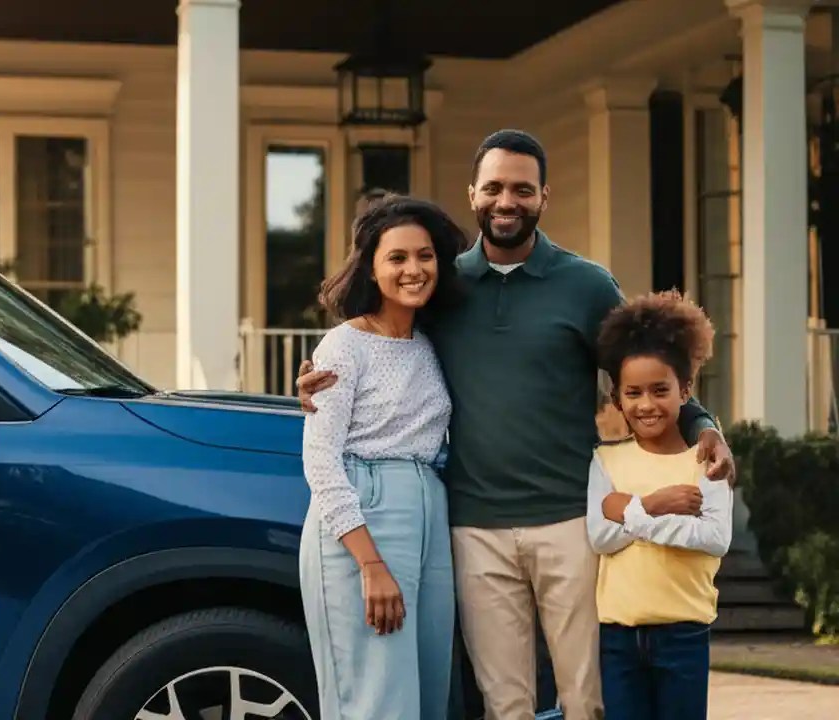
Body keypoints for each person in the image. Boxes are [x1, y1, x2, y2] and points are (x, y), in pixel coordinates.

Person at [296, 129, 736, 720]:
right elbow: (381, 346)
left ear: (543, 197)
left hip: (569, 520)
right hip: (473, 527)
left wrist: (703, 422)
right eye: (495, 187)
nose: (508, 201)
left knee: (587, 700)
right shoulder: (444, 285)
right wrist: (317, 377)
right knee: (506, 705)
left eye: (522, 190)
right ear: (472, 193)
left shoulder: (586, 285)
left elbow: (647, 372)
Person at [298, 194, 466, 720]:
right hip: (365, 515)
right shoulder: (343, 347)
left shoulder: (432, 341)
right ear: (371, 267)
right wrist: (370, 563)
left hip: (429, 510)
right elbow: (320, 461)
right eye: (397, 258)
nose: (413, 269)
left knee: (425, 694)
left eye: (425, 255)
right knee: (375, 701)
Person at [587, 290, 732, 720]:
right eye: (633, 393)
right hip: (616, 636)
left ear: (685, 390)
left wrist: (633, 512)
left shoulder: (707, 458)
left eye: (659, 390)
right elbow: (600, 537)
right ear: (617, 399)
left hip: (684, 634)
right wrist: (656, 504)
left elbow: (713, 537)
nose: (646, 404)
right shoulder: (605, 460)